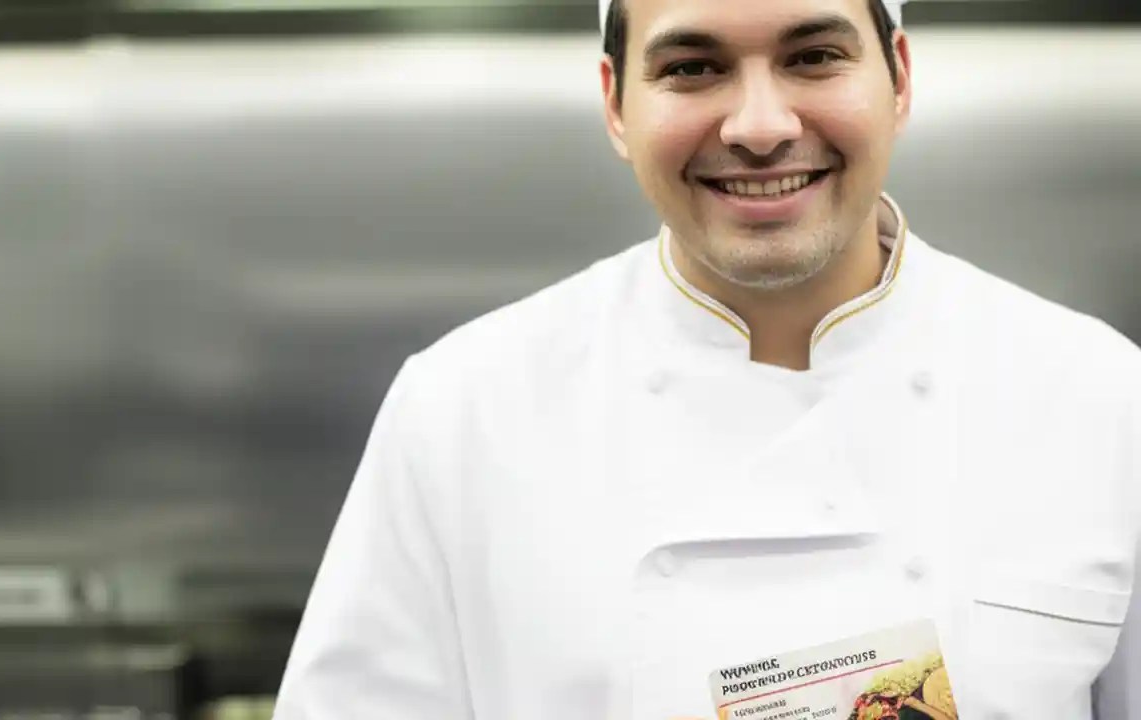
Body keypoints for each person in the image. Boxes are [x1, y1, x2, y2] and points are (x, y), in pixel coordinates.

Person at [273, 0, 1140, 718]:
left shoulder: (1099, 399)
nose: (760, 127)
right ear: (616, 105)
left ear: (900, 79)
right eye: (693, 67)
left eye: (814, 57)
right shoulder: (462, 412)